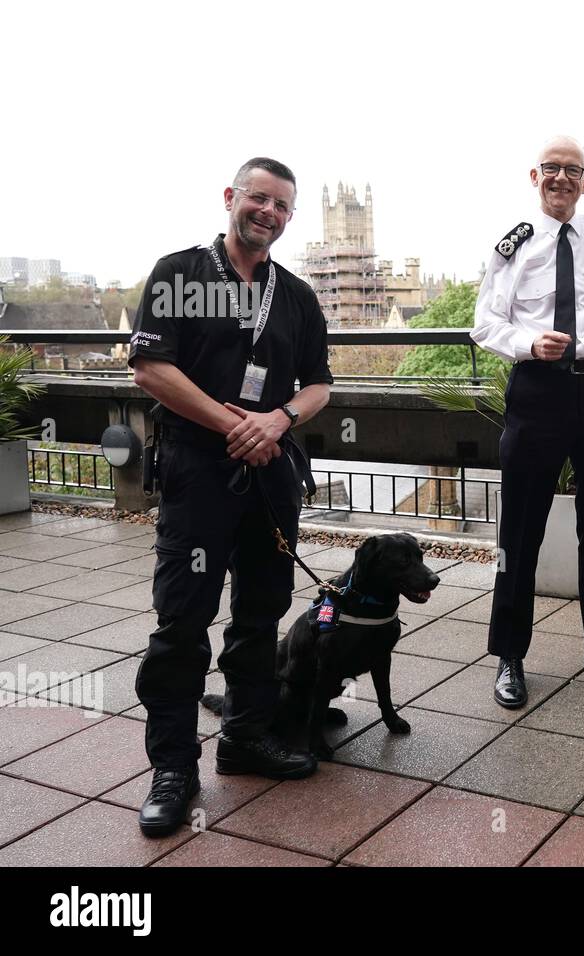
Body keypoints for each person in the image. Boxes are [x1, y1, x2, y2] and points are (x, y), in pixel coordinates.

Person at [129, 157, 333, 835]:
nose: (268, 213)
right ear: (231, 197)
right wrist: (234, 425)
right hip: (197, 471)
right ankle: (172, 769)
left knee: (261, 612)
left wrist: (279, 420)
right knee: (182, 622)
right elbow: (151, 368)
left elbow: (319, 385)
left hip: (271, 472)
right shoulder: (179, 274)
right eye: (259, 198)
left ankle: (245, 737)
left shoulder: (296, 295)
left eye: (281, 206)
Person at [472, 135, 584, 709]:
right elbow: (485, 324)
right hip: (538, 391)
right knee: (520, 531)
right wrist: (529, 344)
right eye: (550, 168)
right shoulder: (515, 246)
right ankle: (510, 655)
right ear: (535, 177)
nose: (561, 178)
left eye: (572, 170)